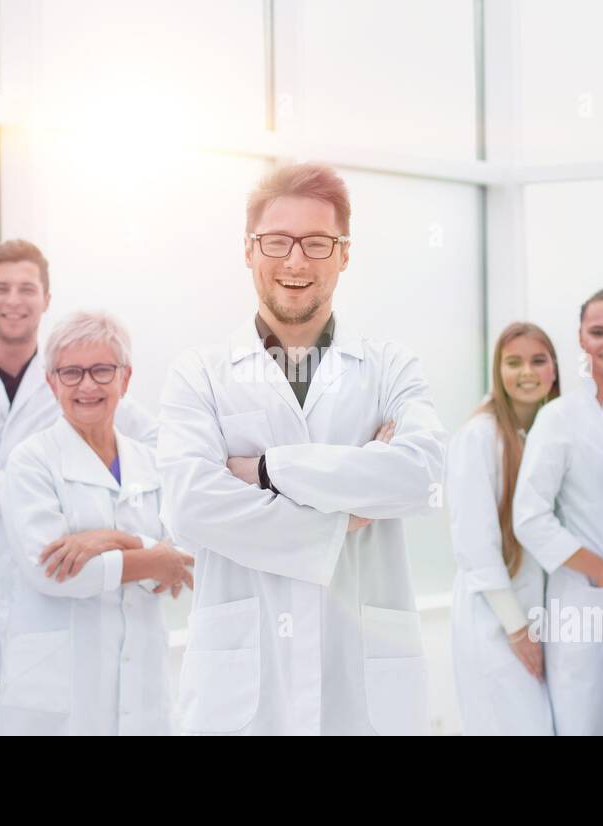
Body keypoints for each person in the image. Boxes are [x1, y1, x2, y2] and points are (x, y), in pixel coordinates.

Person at [157, 162, 447, 735]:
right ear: (248, 250)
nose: (295, 262)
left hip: (361, 681)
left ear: (344, 254)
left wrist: (267, 470)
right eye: (277, 242)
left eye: (317, 243)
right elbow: (190, 507)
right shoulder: (200, 374)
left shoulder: (389, 366)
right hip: (243, 691)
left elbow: (420, 475)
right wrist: (347, 518)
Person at [0, 239, 158, 735]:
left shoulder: (77, 369)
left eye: (27, 288)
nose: (15, 300)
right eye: (2, 288)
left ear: (46, 299)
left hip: (58, 611)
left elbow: (159, 447)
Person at [0, 311, 192, 736]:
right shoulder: (31, 461)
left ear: (126, 378)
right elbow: (54, 572)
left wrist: (108, 541)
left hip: (143, 694)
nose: (87, 385)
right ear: (51, 382)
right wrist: (150, 556)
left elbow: (178, 562)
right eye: (71, 372)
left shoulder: (150, 462)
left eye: (102, 370)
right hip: (58, 697)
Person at [512, 289, 603, 736]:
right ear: (581, 339)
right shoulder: (560, 417)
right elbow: (529, 515)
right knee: (587, 715)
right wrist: (599, 569)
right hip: (585, 599)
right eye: (599, 332)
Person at [449, 322, 560, 736]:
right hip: (495, 618)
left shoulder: (550, 431)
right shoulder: (478, 437)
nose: (526, 372)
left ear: (554, 369)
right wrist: (517, 629)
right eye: (513, 362)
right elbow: (475, 545)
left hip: (537, 614)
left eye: (538, 360)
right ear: (498, 370)